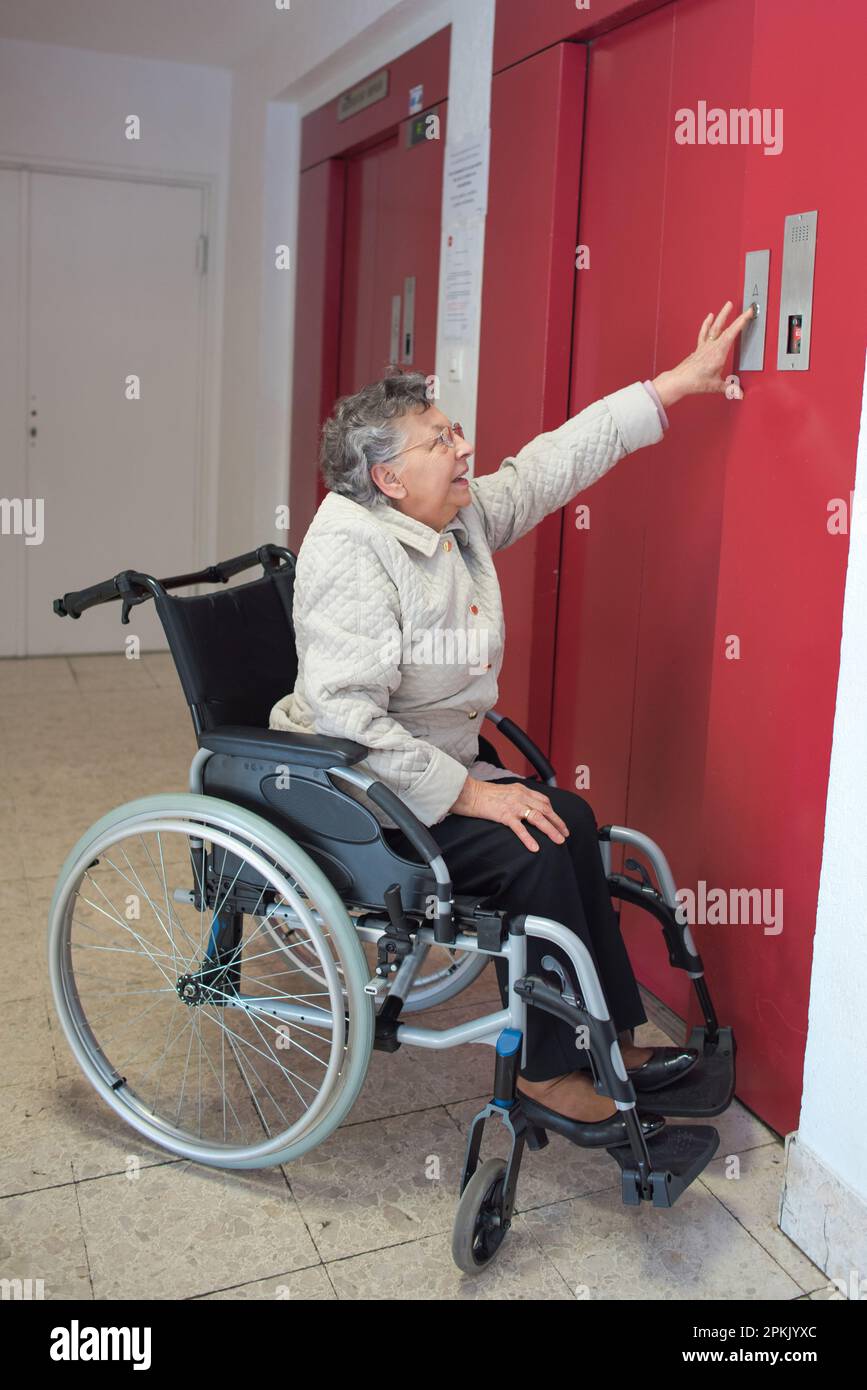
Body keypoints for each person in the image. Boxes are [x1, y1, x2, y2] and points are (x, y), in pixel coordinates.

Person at [271, 300, 753, 1145]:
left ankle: (610, 1042)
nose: (463, 449)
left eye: (453, 432)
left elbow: (546, 467)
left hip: (422, 762)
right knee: (533, 844)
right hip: (358, 789)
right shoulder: (350, 554)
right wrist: (469, 794)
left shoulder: (447, 518)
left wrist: (672, 387)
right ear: (385, 477)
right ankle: (547, 1074)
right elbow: (346, 716)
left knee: (567, 819)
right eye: (439, 440)